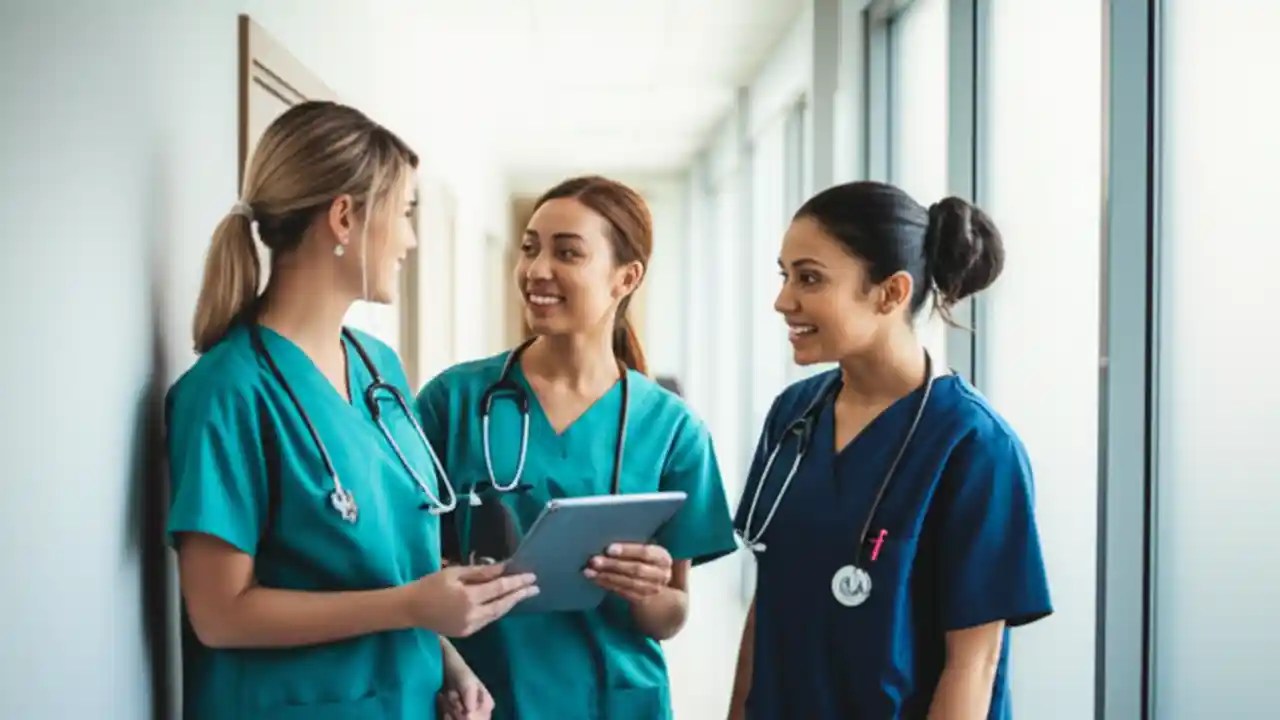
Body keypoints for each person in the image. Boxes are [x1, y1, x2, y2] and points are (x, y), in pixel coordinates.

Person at [164, 100, 536, 720]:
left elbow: (392, 570)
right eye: (404, 214)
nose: (411, 239)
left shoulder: (378, 369)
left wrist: (450, 660)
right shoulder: (226, 391)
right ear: (344, 217)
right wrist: (413, 607)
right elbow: (221, 614)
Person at [415, 175, 739, 720]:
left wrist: (644, 589)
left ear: (626, 276)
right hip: (481, 697)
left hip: (613, 701)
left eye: (567, 253)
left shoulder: (672, 428)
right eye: (530, 248)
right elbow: (407, 566)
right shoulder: (454, 401)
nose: (538, 270)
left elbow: (670, 614)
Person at [727, 181, 1053, 719]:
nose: (783, 301)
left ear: (890, 292)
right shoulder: (794, 416)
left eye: (809, 278)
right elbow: (769, 606)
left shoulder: (974, 446)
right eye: (785, 276)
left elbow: (974, 663)